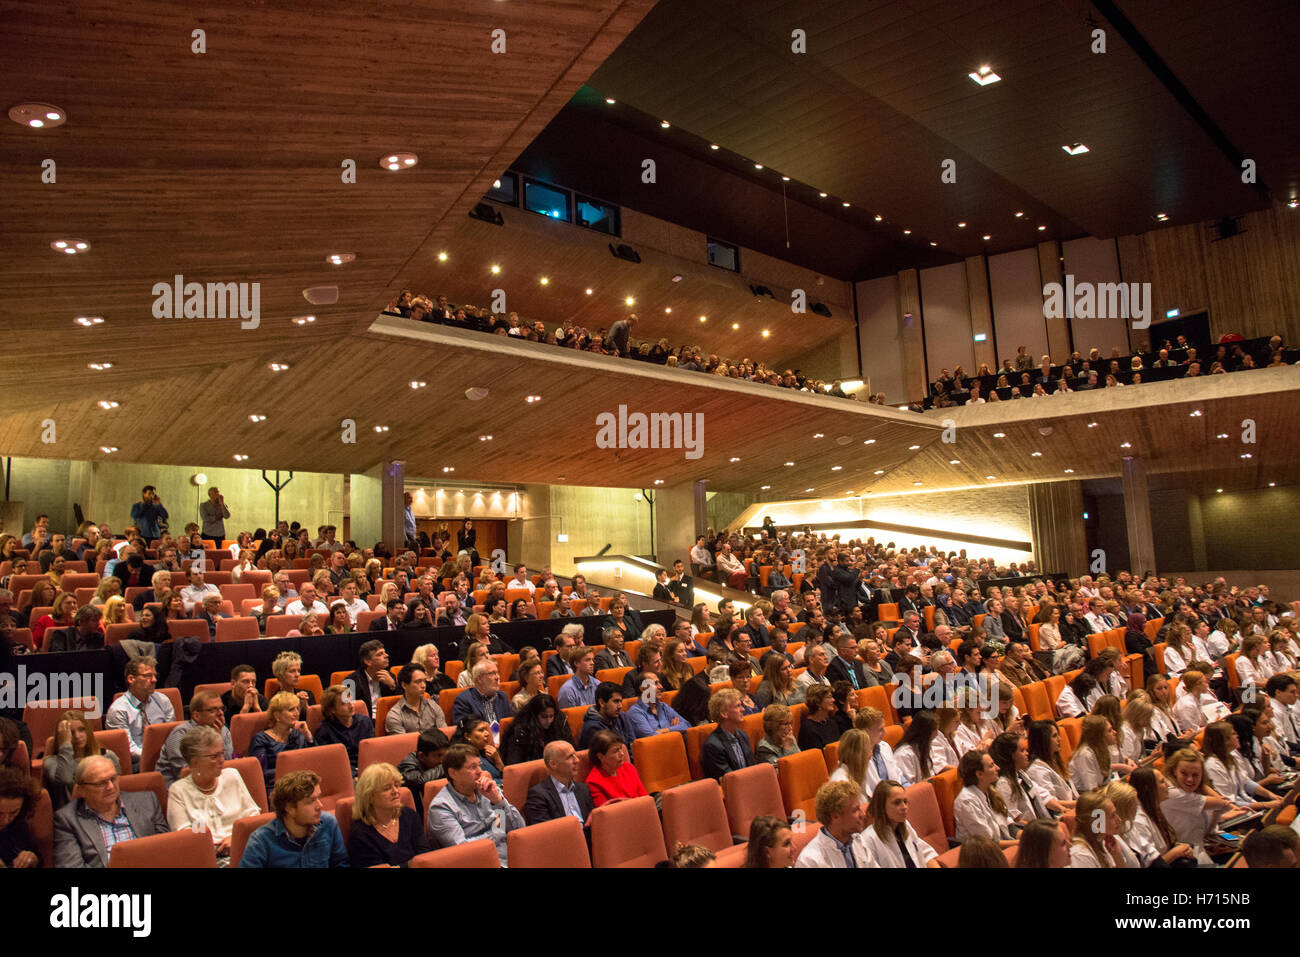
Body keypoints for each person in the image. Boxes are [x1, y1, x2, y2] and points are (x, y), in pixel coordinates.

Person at [53, 755, 169, 867]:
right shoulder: (67, 819)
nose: (110, 787)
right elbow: (71, 865)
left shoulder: (147, 801)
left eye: (113, 779)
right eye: (101, 783)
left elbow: (166, 849)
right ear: (81, 790)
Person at [166, 726, 260, 862]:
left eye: (222, 753)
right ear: (194, 762)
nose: (222, 760)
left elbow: (253, 816)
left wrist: (236, 838)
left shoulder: (232, 776)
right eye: (214, 756)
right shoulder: (179, 791)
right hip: (209, 859)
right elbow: (185, 838)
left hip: (245, 849)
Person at [427, 743, 524, 866]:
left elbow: (519, 828)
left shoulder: (487, 790)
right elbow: (464, 851)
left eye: (479, 765)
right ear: (453, 773)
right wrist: (497, 830)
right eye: (473, 767)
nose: (480, 772)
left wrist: (498, 801)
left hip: (511, 857)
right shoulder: (441, 808)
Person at [239, 770, 348, 868]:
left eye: (319, 798)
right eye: (311, 801)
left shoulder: (328, 823)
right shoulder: (261, 841)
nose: (320, 806)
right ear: (290, 808)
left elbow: (341, 864)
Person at [348, 762, 431, 868]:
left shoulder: (409, 815)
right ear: (369, 796)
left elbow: (425, 854)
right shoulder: (361, 832)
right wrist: (411, 864)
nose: (395, 791)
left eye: (397, 785)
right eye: (387, 788)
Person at [104, 656, 175, 771]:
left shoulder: (163, 701)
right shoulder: (118, 710)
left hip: (167, 760)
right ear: (131, 679)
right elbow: (127, 749)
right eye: (148, 676)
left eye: (154, 675)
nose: (154, 680)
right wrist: (155, 758)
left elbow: (172, 734)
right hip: (136, 766)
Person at [42, 709, 122, 811]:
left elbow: (117, 791)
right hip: (71, 819)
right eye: (71, 732)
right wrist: (65, 744)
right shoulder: (51, 763)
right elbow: (65, 779)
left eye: (81, 729)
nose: (77, 736)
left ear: (88, 730)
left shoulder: (107, 757)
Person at [1162, 748, 1240, 848]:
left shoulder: (1196, 792)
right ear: (1174, 771)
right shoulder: (1172, 793)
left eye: (1195, 775)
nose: (1190, 779)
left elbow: (1207, 832)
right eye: (1184, 773)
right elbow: (1221, 802)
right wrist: (1227, 806)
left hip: (1200, 847)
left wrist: (1217, 814)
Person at [156, 690, 234, 785]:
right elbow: (183, 772)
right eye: (213, 710)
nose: (220, 713)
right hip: (179, 788)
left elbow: (226, 763)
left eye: (221, 708)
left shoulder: (223, 731)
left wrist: (217, 737)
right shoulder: (181, 734)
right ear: (196, 715)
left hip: (212, 784)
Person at [795, 780, 876, 868]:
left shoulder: (858, 841)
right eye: (855, 810)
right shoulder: (810, 861)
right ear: (835, 817)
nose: (863, 814)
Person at [860, 779, 941, 868]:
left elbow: (926, 855)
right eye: (897, 802)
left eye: (905, 801)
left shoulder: (905, 826)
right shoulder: (868, 840)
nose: (904, 807)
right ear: (881, 806)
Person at [249, 691, 313, 788]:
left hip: (302, 784)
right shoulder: (260, 739)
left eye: (298, 708)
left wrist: (308, 736)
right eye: (291, 710)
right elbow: (261, 772)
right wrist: (294, 771)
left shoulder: (299, 734)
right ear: (277, 715)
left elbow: (315, 761)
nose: (297, 713)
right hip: (276, 787)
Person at [524, 740, 595, 826]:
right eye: (570, 757)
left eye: (575, 755)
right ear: (553, 764)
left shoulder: (584, 789)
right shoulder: (538, 796)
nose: (577, 760)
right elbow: (544, 832)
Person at [953, 750, 1017, 846]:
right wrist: (1022, 844)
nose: (998, 768)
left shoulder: (989, 791)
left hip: (1001, 845)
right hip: (983, 855)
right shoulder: (967, 801)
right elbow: (988, 843)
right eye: (991, 766)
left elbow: (1007, 823)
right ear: (979, 774)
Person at [312, 684, 375, 774]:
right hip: (342, 772)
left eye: (351, 701)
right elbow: (328, 763)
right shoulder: (324, 730)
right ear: (332, 709)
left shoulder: (364, 722)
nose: (351, 706)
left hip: (368, 769)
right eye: (344, 703)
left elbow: (372, 752)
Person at [1068, 788, 1138, 868]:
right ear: (1097, 822)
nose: (1119, 819)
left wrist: (1117, 856)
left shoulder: (1103, 842)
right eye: (1113, 815)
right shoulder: (1080, 856)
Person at [701, 688, 756, 779]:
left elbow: (752, 767)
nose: (743, 709)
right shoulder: (712, 746)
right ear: (724, 714)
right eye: (737, 706)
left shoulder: (742, 735)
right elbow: (729, 779)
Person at [585, 729, 649, 807]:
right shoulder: (594, 782)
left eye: (621, 748)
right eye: (615, 751)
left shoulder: (629, 768)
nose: (622, 754)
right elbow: (605, 813)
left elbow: (645, 798)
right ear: (601, 756)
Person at [503, 693, 572, 765]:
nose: (549, 721)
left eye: (551, 716)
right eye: (544, 716)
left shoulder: (559, 723)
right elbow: (515, 765)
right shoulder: (521, 732)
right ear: (535, 716)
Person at [384, 664, 446, 735]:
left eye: (424, 681)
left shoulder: (434, 706)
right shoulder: (395, 715)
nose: (423, 686)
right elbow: (403, 744)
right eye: (418, 682)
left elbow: (444, 735)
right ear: (404, 685)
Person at [451, 657, 514, 726]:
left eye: (497, 673)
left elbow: (510, 725)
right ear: (479, 679)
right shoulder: (464, 700)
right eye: (492, 673)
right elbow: (464, 730)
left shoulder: (502, 697)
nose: (497, 677)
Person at [0, 767, 40, 867]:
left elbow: (36, 856)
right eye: (0, 814)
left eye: (13, 813)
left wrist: (31, 859)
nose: (6, 820)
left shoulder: (19, 825)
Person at [626, 675, 688, 739]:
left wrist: (665, 730)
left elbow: (687, 725)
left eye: (659, 683)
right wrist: (676, 729)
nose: (661, 687)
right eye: (655, 683)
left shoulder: (663, 706)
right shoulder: (635, 712)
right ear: (643, 689)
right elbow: (651, 737)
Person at [578, 682, 636, 751]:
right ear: (602, 703)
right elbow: (607, 758)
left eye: (621, 701)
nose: (620, 706)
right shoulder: (592, 728)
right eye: (616, 701)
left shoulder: (622, 717)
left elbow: (633, 745)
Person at [398, 729, 449, 801]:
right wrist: (445, 765)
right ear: (421, 756)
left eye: (446, 754)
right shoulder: (407, 765)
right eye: (438, 756)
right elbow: (420, 782)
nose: (443, 759)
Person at [797, 684, 842, 753]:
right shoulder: (808, 729)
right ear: (817, 702)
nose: (833, 700)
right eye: (829, 697)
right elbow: (818, 757)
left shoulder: (832, 722)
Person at [556, 645, 598, 710]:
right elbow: (570, 718)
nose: (592, 663)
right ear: (576, 663)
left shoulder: (597, 684)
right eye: (587, 660)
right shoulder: (567, 691)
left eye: (592, 659)